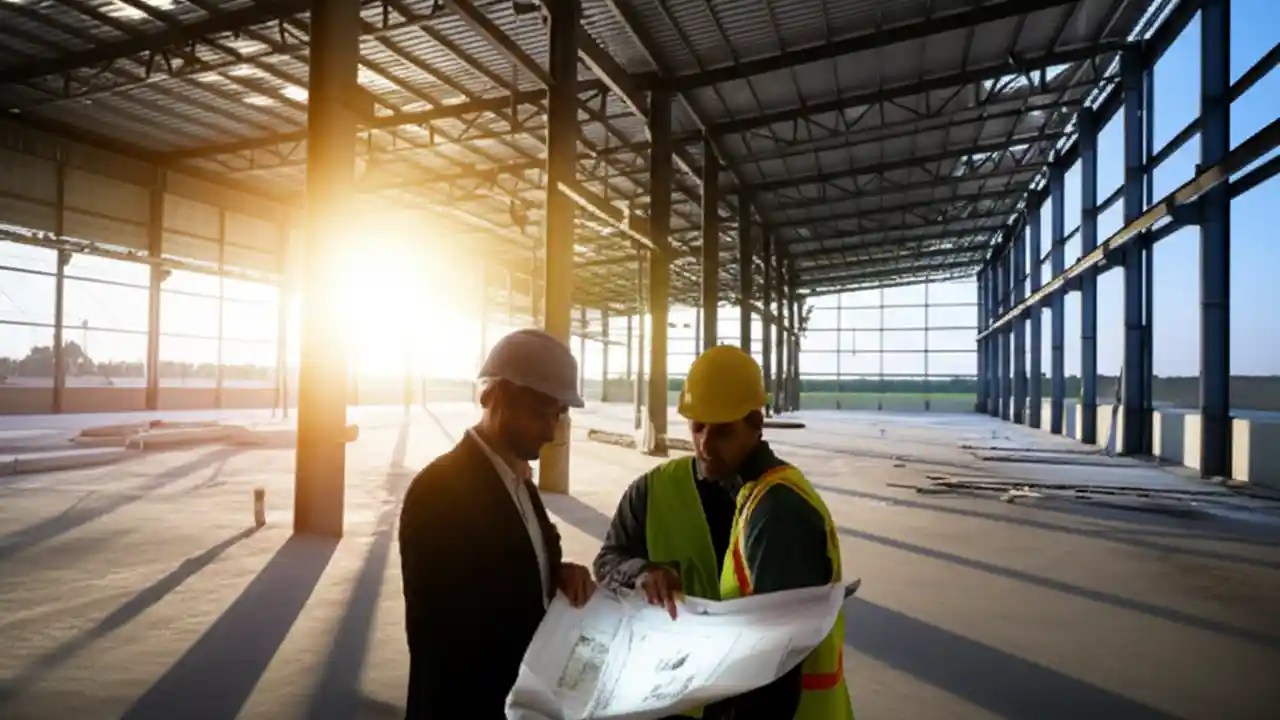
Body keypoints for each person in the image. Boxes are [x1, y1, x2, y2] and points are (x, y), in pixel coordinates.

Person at [593, 345, 854, 720]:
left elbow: (774, 674)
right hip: (674, 699)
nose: (705, 445)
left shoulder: (776, 511)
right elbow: (606, 562)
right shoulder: (653, 491)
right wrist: (642, 573)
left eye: (723, 432)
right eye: (698, 427)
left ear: (756, 424)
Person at [398, 328, 596, 719]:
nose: (550, 429)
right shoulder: (438, 492)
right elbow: (448, 635)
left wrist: (557, 574)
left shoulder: (518, 482)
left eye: (558, 414)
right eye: (540, 412)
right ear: (496, 397)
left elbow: (513, 565)